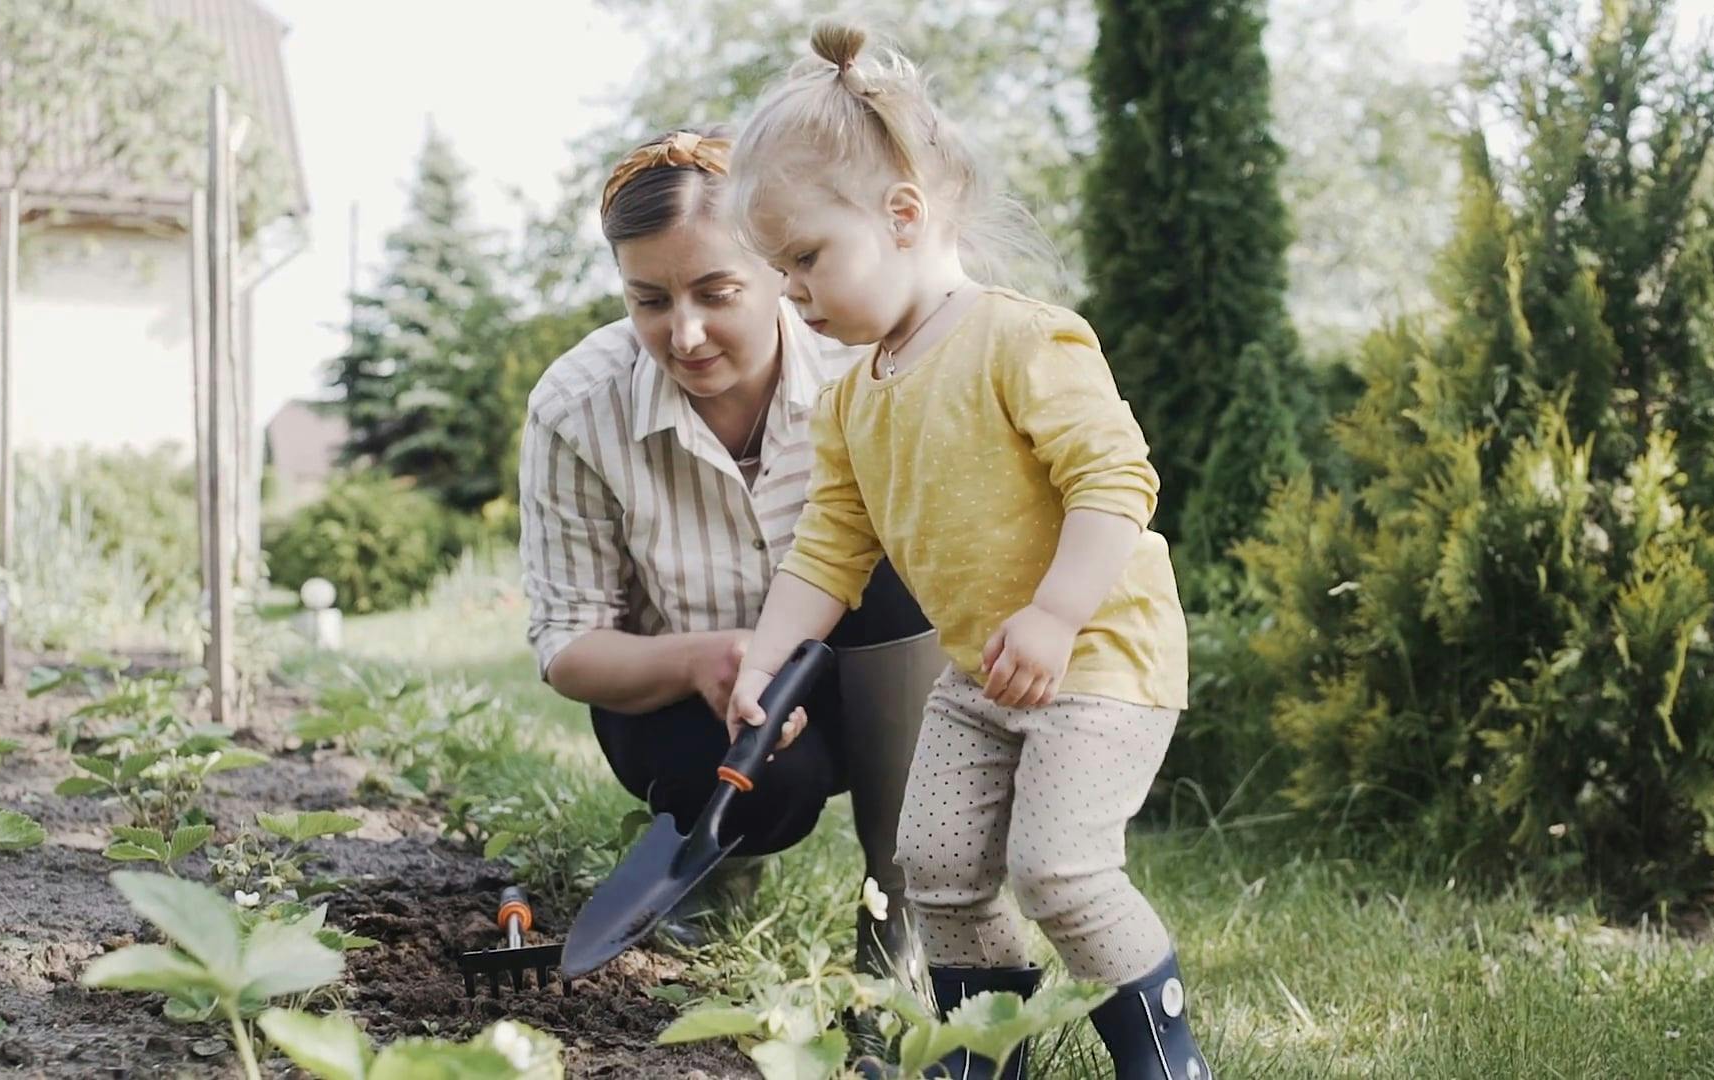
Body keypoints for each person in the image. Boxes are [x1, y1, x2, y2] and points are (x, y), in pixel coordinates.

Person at [722, 21, 1211, 1080]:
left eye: (807, 258)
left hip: (1096, 653)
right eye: (777, 268)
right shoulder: (851, 403)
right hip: (982, 672)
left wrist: (1055, 612)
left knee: (1060, 870)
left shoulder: (1021, 340)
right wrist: (765, 660)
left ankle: (1165, 1057)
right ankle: (985, 1053)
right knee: (934, 866)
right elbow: (826, 554)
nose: (792, 293)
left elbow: (1116, 481)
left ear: (901, 216)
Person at [517, 127, 944, 973]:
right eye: (649, 301)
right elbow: (567, 645)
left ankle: (904, 921)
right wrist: (707, 660)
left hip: (871, 683)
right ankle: (717, 870)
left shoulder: (865, 368)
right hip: (691, 702)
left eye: (716, 293)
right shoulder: (576, 408)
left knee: (900, 573)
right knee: (769, 794)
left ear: (778, 275)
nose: (684, 335)